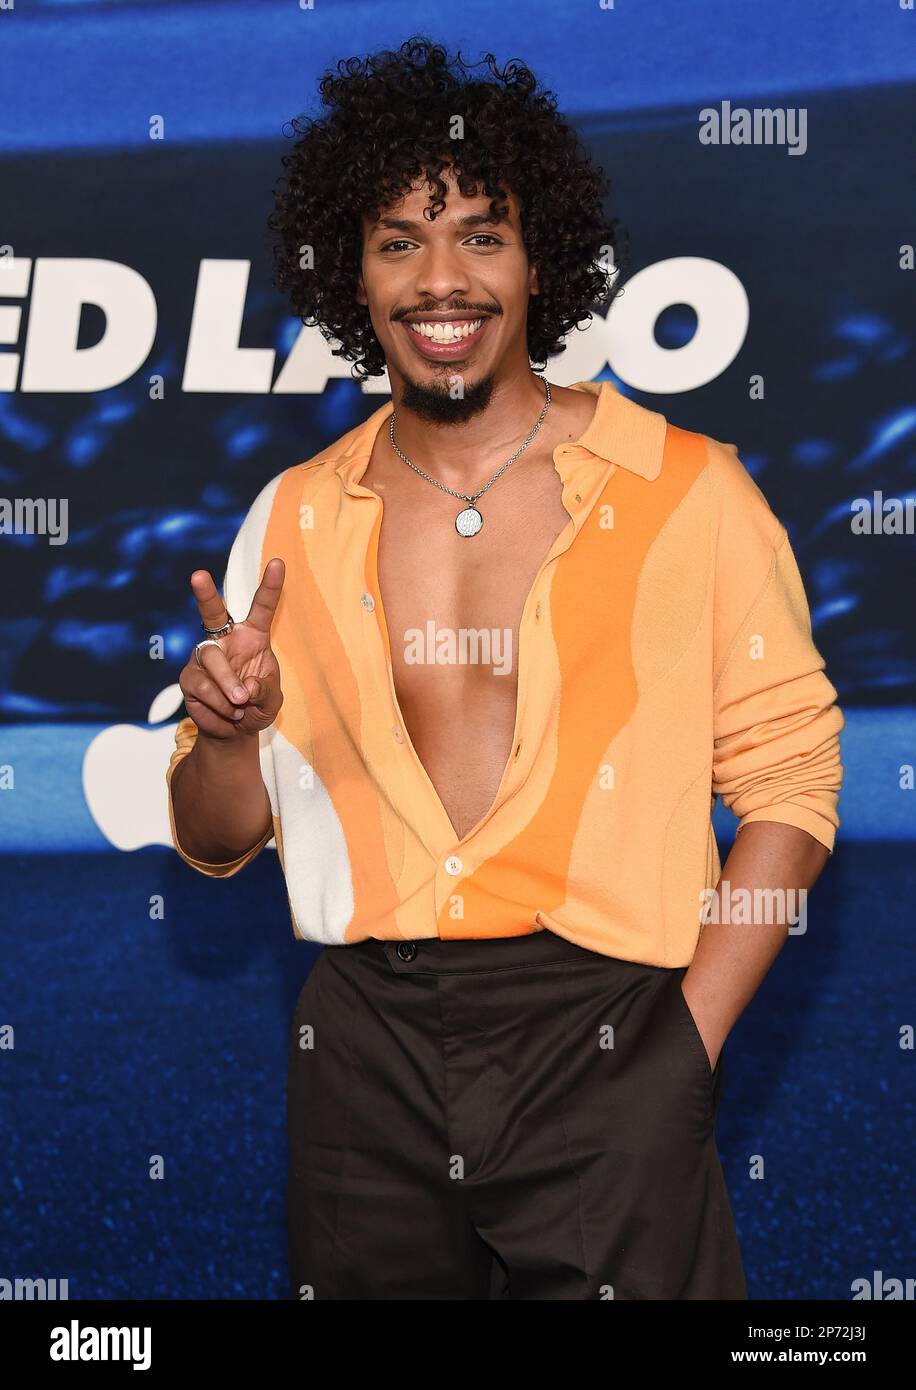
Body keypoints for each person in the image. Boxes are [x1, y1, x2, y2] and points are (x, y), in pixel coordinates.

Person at [166, 37, 844, 1300]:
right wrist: (224, 733)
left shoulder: (689, 489)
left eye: (481, 235)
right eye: (397, 241)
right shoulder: (295, 517)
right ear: (353, 277)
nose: (442, 281)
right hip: (363, 1046)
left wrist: (685, 1047)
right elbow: (215, 842)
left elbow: (793, 784)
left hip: (611, 1028)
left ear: (542, 261)